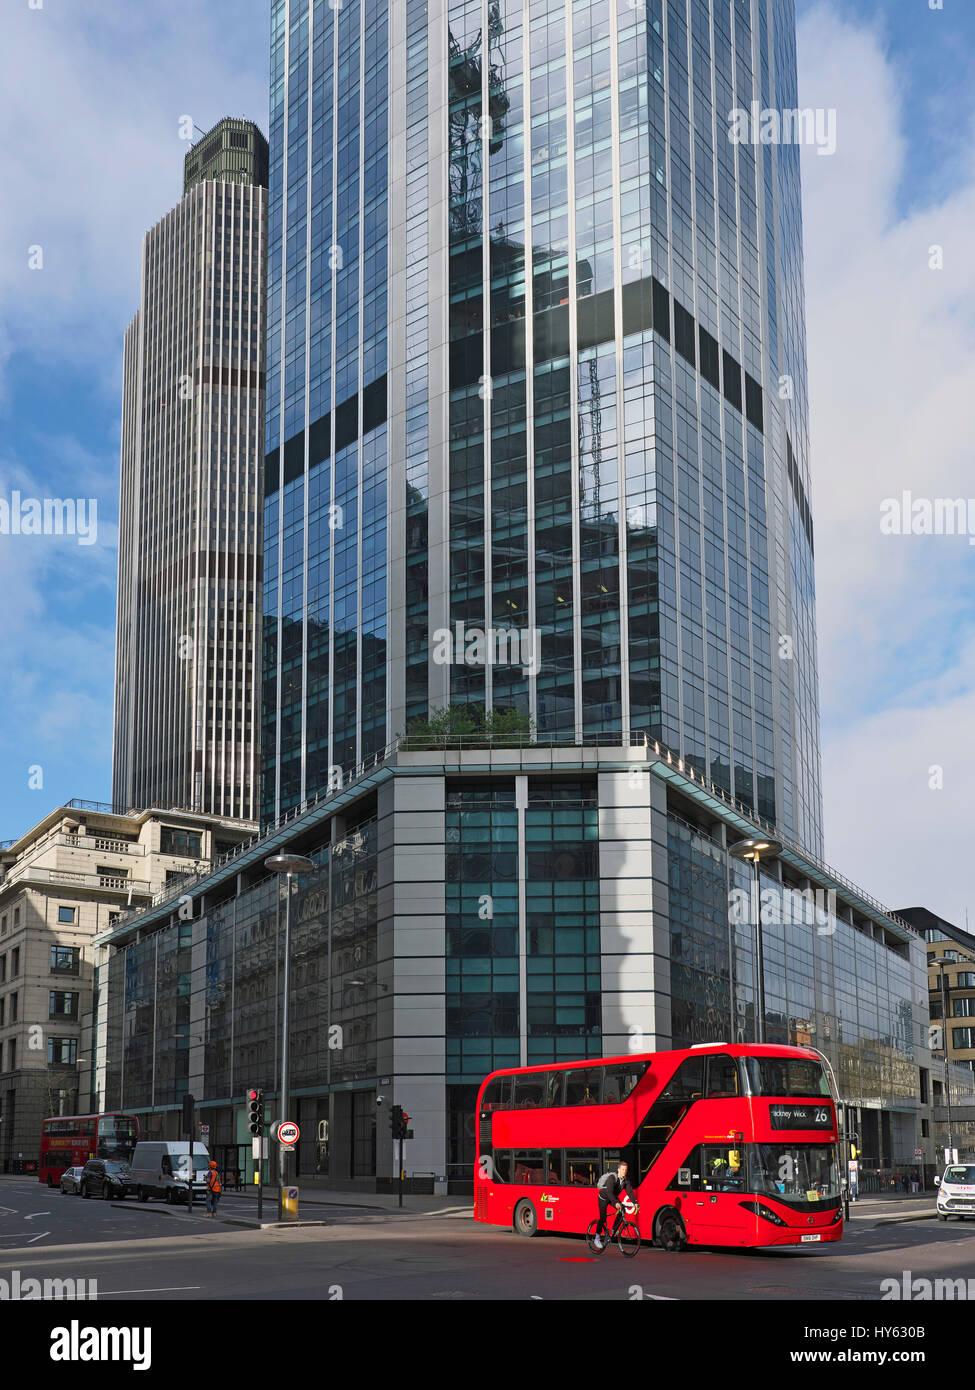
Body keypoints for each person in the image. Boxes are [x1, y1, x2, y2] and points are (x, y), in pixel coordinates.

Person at [594, 1161, 638, 1249]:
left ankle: (613, 1231)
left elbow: (629, 1192)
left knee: (623, 1210)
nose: (624, 1172)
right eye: (622, 1169)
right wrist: (616, 1203)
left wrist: (635, 1203)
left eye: (625, 1170)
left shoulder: (625, 1180)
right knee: (603, 1218)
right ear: (618, 1170)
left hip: (612, 1197)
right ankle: (597, 1238)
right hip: (603, 1197)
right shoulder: (612, 1178)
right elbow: (609, 1192)